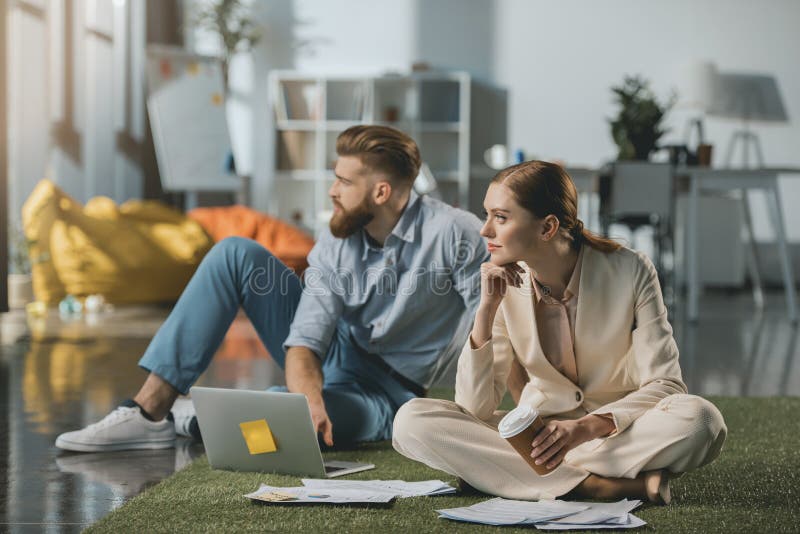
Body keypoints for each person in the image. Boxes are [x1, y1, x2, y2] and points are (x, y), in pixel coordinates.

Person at [56, 125, 487, 452]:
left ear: (381, 191)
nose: (332, 191)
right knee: (235, 254)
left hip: (387, 391)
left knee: (290, 418)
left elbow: (498, 324)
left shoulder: (455, 232)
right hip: (335, 350)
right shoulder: (339, 234)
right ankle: (149, 411)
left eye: (344, 182)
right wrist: (310, 394)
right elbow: (304, 341)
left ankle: (201, 418)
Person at [392, 160, 727, 504]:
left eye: (501, 217)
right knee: (410, 422)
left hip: (613, 431)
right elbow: (473, 408)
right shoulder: (503, 285)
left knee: (700, 420)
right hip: (539, 434)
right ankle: (595, 486)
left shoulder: (632, 270)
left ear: (547, 227)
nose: (485, 230)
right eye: (487, 215)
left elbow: (665, 384)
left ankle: (512, 475)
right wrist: (486, 310)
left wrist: (585, 428)